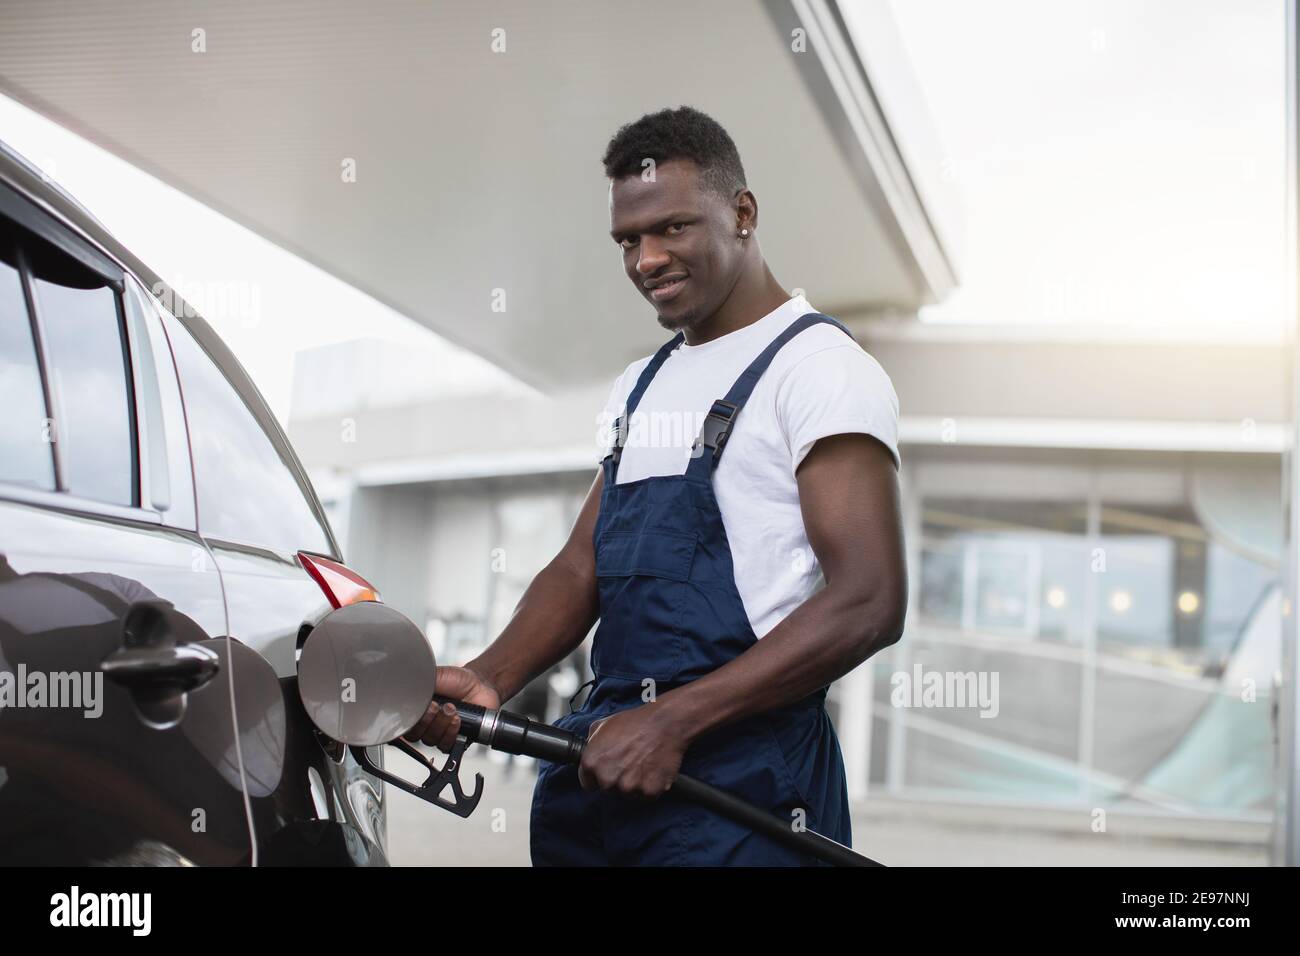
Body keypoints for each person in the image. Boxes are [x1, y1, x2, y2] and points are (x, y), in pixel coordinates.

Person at [407, 106, 907, 865]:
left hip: (747, 784)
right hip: (607, 766)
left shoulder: (819, 370)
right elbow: (583, 566)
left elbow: (869, 600)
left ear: (742, 213)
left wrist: (674, 721)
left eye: (671, 228)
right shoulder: (641, 386)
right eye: (627, 241)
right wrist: (488, 675)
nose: (646, 259)